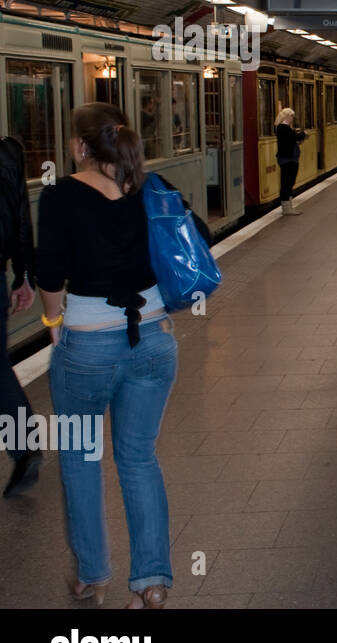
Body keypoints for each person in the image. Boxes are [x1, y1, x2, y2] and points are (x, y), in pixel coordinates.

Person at [36, 103, 209, 608]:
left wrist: (53, 327)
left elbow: (50, 275)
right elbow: (198, 238)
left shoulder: (61, 196)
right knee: (138, 458)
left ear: (80, 147)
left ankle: (93, 574)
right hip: (155, 340)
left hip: (89, 342)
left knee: (81, 458)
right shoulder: (153, 188)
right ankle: (152, 583)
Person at [0, 135, 39, 498]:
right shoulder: (8, 152)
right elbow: (21, 219)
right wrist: (23, 273)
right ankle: (24, 442)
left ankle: (25, 443)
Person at [274, 108, 307, 216]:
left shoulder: (284, 128)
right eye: (291, 116)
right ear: (286, 117)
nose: (293, 119)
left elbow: (292, 139)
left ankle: (288, 206)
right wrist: (303, 134)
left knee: (289, 182)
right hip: (288, 159)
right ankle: (286, 208)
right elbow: (295, 137)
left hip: (289, 159)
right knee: (287, 183)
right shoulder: (283, 128)